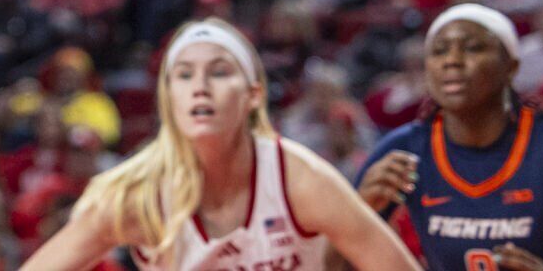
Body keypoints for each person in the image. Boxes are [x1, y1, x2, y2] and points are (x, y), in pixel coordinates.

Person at [21, 20, 419, 271]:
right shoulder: (136, 192)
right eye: (184, 74)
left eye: (219, 71)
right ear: (167, 97)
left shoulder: (299, 179)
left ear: (253, 96)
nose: (200, 86)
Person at [355, 4, 543, 271]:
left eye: (472, 48)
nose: (452, 60)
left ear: (511, 66)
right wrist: (359, 214)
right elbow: (334, 264)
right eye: (439, 51)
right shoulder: (405, 150)